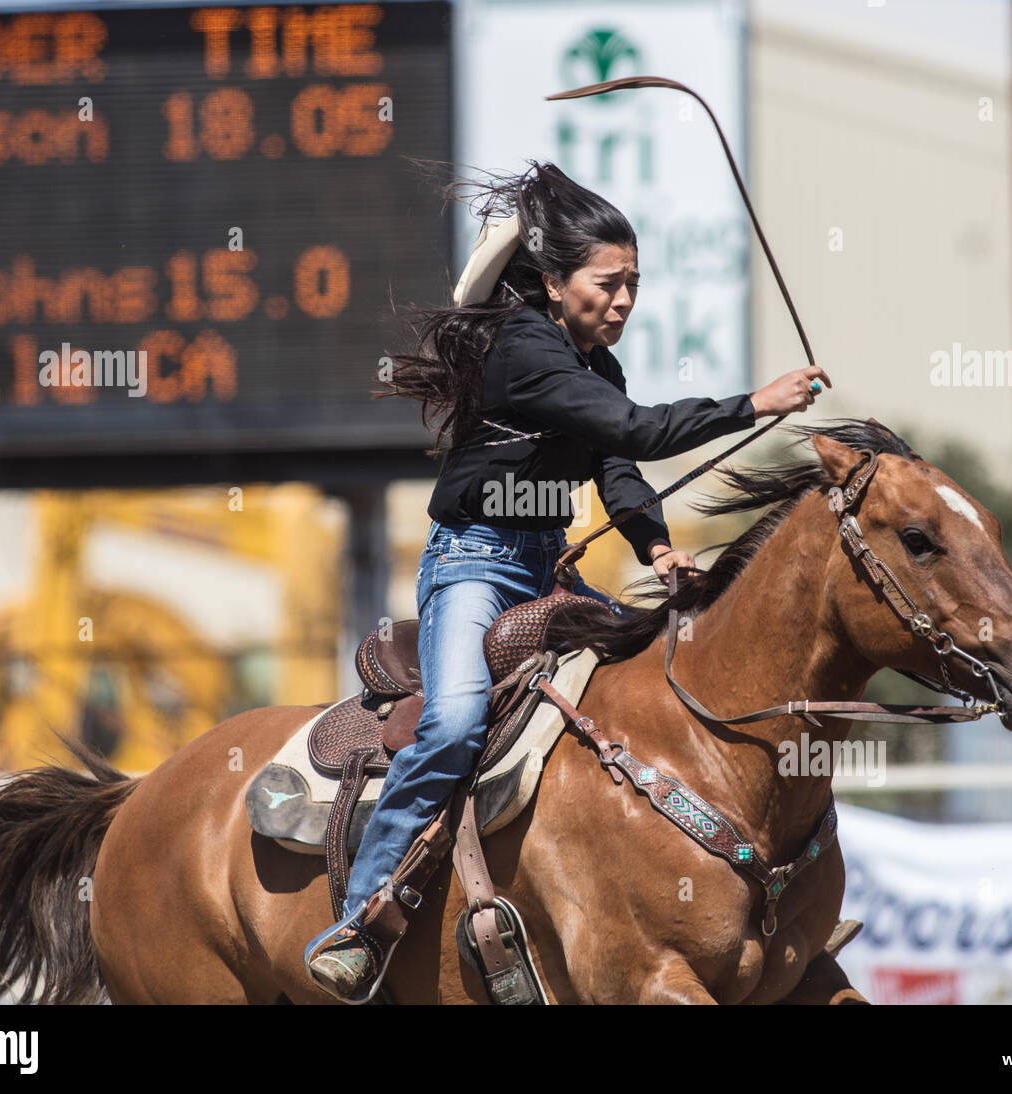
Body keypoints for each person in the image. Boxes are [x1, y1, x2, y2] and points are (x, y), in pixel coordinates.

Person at [304, 161, 830, 1001]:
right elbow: (637, 430)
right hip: (473, 564)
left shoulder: (596, 367)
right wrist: (752, 405)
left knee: (666, 672)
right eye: (608, 284)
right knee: (453, 722)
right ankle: (361, 920)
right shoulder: (523, 351)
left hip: (545, 575)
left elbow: (617, 468)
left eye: (634, 286)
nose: (623, 301)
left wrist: (657, 550)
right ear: (553, 283)